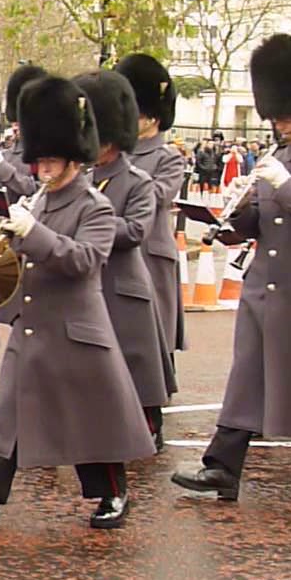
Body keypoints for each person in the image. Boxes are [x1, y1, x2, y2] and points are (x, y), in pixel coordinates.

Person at [0, 75, 156, 530]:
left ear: (73, 159)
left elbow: (84, 261)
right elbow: (26, 256)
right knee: (9, 414)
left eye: (52, 161)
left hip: (76, 331)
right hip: (33, 326)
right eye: (40, 162)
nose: (43, 169)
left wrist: (31, 233)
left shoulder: (94, 206)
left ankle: (112, 492)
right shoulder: (38, 201)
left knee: (91, 418)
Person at [172, 34, 291, 500]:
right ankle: (222, 466)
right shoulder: (278, 157)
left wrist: (285, 186)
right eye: (277, 117)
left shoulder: (282, 167)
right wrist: (232, 218)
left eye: (287, 116)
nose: (281, 125)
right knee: (247, 375)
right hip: (266, 286)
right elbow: (262, 222)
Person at [75, 70, 176, 451]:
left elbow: (135, 230)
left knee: (139, 363)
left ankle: (150, 425)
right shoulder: (84, 177)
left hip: (123, 282)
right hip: (91, 279)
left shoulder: (137, 181)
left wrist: (90, 225)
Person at [116, 54, 186, 366]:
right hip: (121, 251)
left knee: (156, 332)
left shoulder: (168, 157)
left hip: (151, 251)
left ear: (153, 117)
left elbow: (155, 195)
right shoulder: (119, 155)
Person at [0, 64, 48, 201]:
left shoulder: (46, 153)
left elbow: (40, 189)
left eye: (19, 122)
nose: (15, 127)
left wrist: (2, 168)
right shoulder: (5, 152)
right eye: (14, 122)